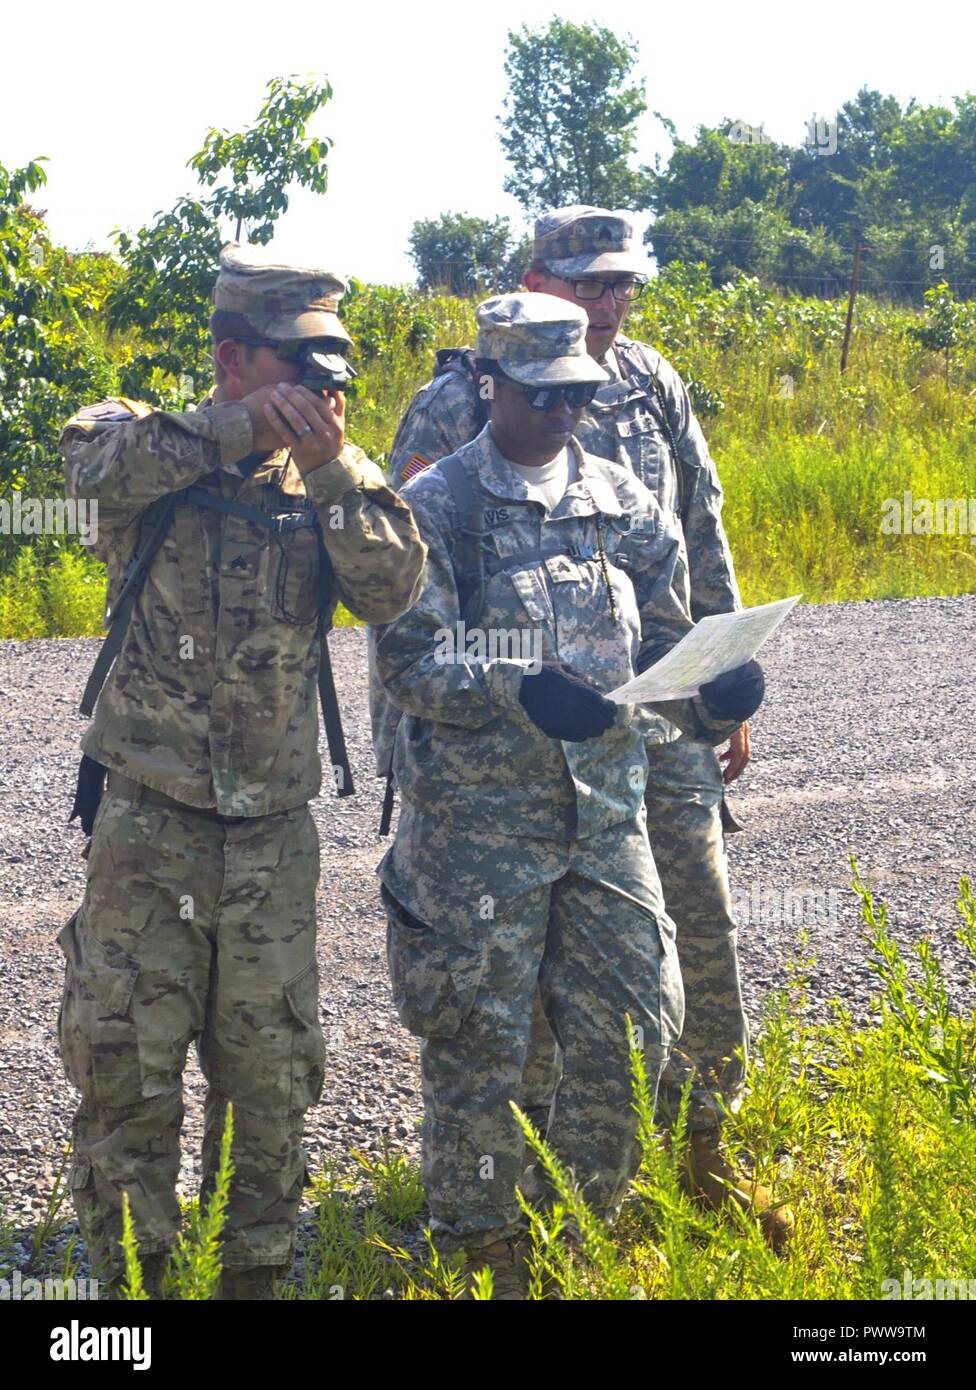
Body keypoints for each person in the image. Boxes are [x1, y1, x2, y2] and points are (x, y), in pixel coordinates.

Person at [376, 206, 792, 1249]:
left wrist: (714, 688)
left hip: (607, 804)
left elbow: (674, 606)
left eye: (578, 396)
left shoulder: (623, 479)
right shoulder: (440, 492)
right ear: (494, 387)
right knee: (486, 1046)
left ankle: (599, 1224)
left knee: (642, 1016)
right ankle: (482, 1254)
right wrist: (516, 686)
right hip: (483, 821)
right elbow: (407, 649)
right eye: (543, 393)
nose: (565, 409)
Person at [56, 244, 427, 1299]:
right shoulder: (142, 440)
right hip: (148, 825)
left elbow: (395, 586)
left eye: (334, 369)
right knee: (126, 1076)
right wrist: (235, 429)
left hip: (271, 835)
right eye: (301, 366)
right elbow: (91, 468)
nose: (326, 390)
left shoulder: (328, 481)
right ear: (233, 356)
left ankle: (252, 1283)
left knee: (269, 1087)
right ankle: (131, 1302)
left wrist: (330, 467)